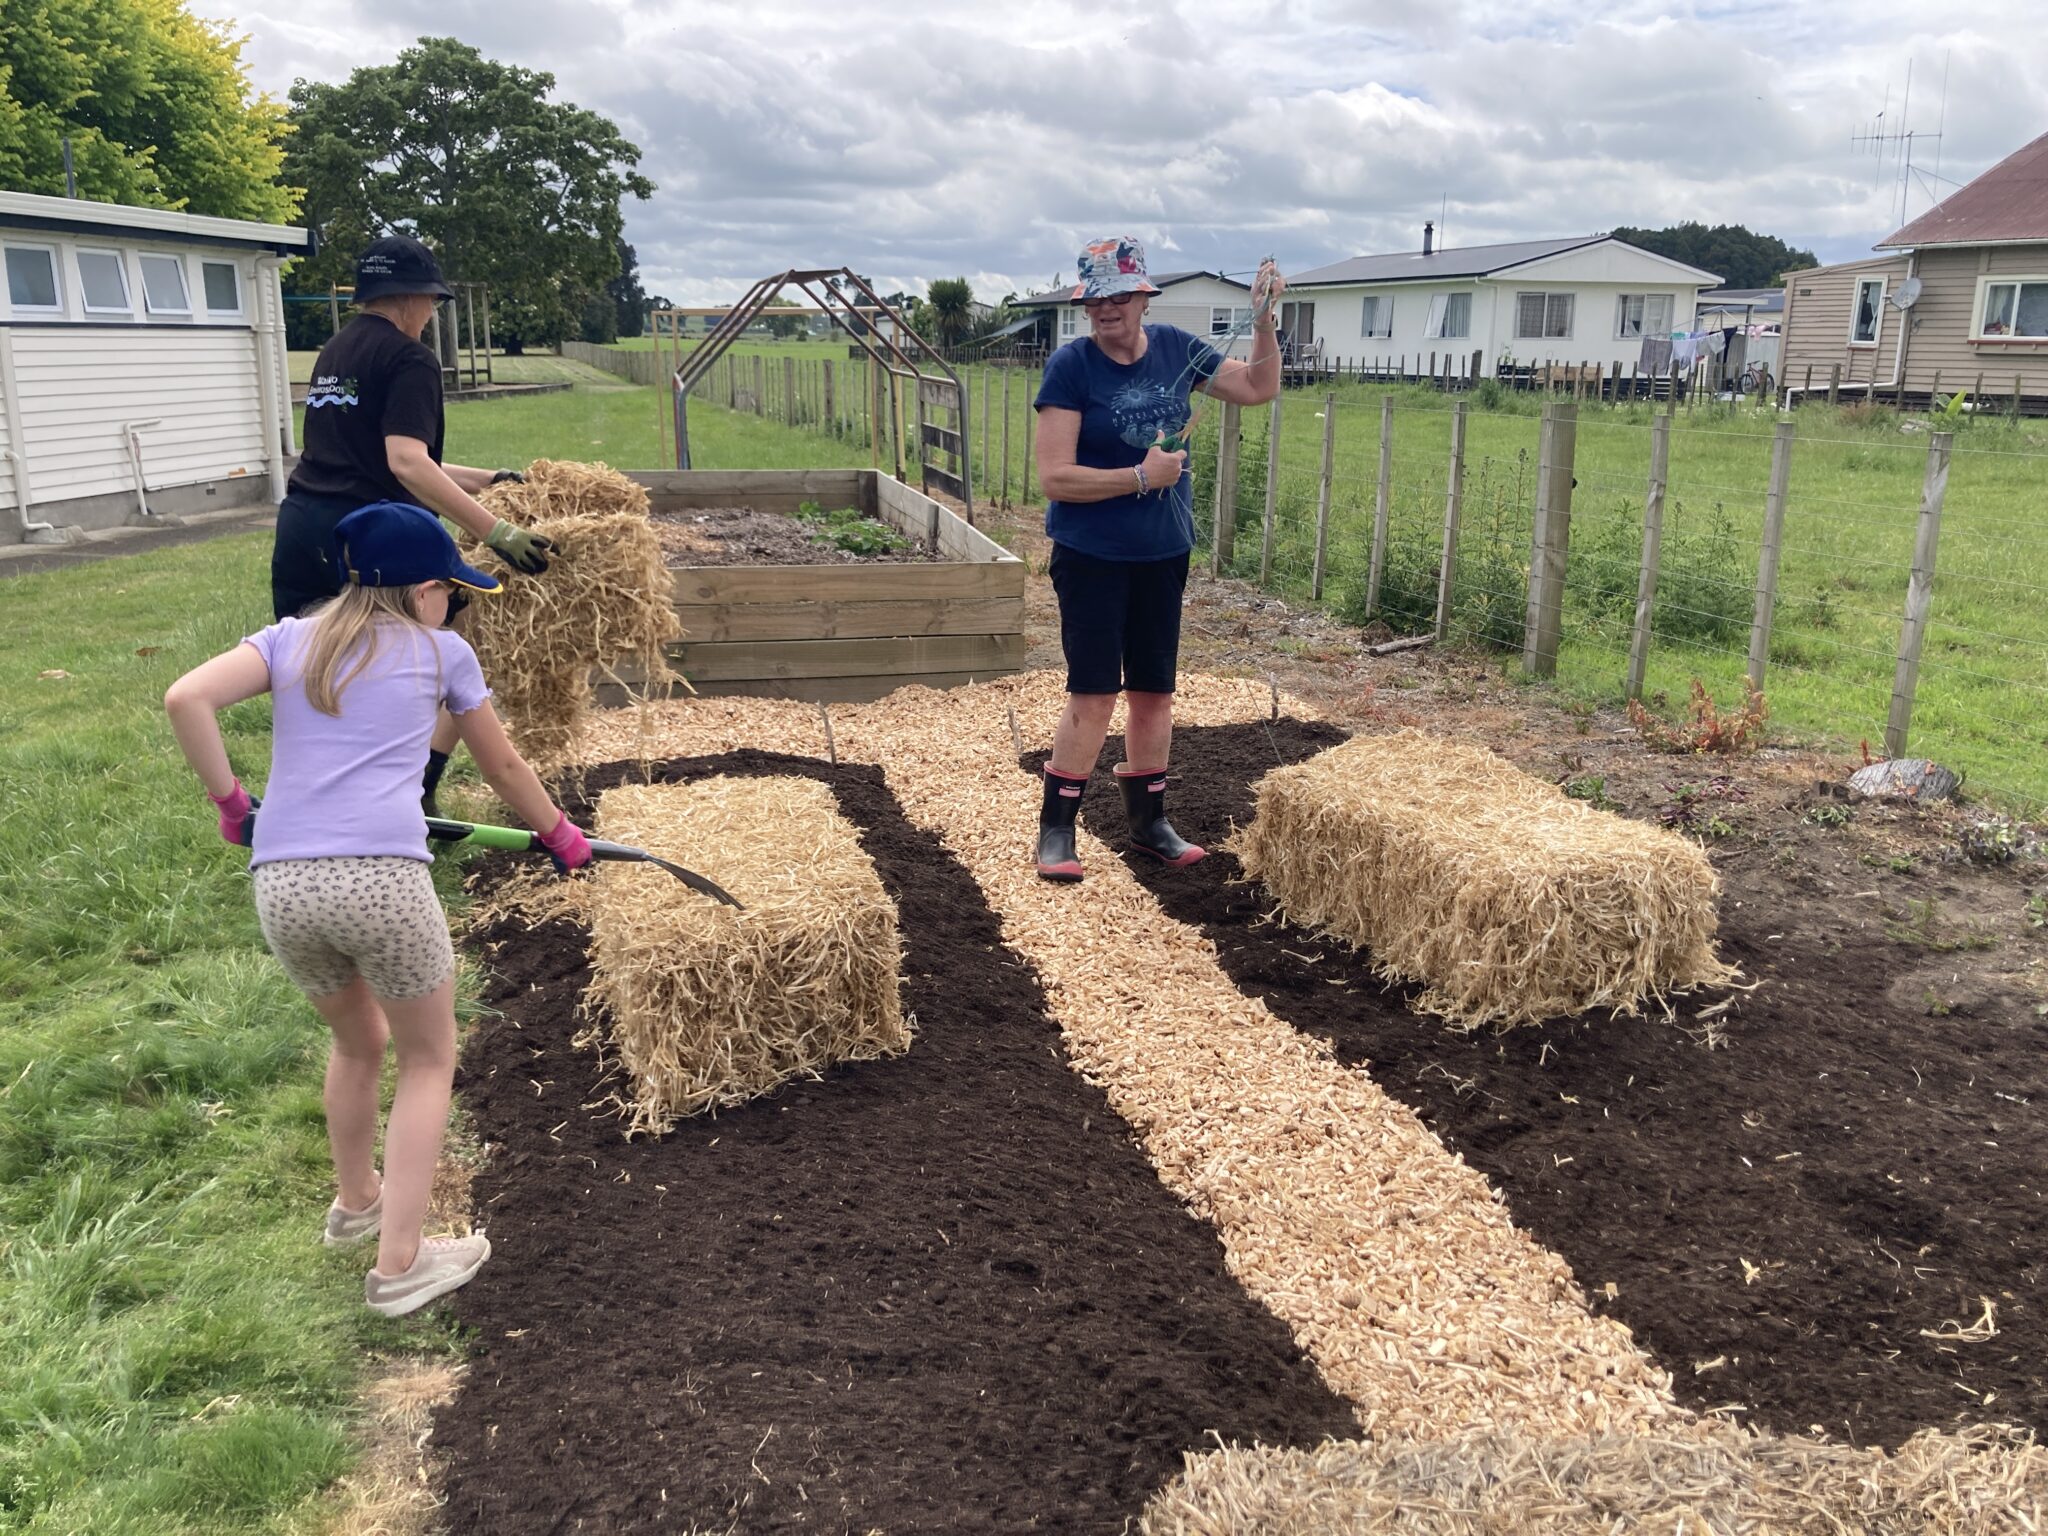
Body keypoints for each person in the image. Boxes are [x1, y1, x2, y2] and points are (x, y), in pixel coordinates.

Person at [166, 501, 594, 1317]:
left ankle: (356, 1201)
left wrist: (231, 803)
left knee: (357, 1042)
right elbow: (501, 764)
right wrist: (560, 833)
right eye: (451, 591)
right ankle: (401, 1266)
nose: (454, 605)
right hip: (381, 882)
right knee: (429, 1059)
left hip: (283, 884)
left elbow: (185, 697)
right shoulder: (443, 654)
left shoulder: (294, 639)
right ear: (426, 589)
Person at [1030, 237, 1284, 881]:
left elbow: (1257, 387)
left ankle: (1150, 825)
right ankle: (1056, 831)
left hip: (1162, 554)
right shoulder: (1071, 366)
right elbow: (1056, 478)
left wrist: (1264, 320)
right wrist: (1139, 478)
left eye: (1120, 296)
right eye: (1095, 300)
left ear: (1144, 298)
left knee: (1153, 695)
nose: (1106, 310)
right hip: (1091, 557)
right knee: (1093, 694)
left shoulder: (1176, 346)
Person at [276, 233, 554, 812]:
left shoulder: (337, 353)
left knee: (317, 670)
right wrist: (496, 533)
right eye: (432, 301)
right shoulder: (409, 358)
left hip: (304, 529)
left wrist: (483, 479)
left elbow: (377, 453)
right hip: (374, 541)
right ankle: (415, 790)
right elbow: (405, 461)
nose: (431, 314)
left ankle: (319, 805)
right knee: (449, 653)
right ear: (409, 298)